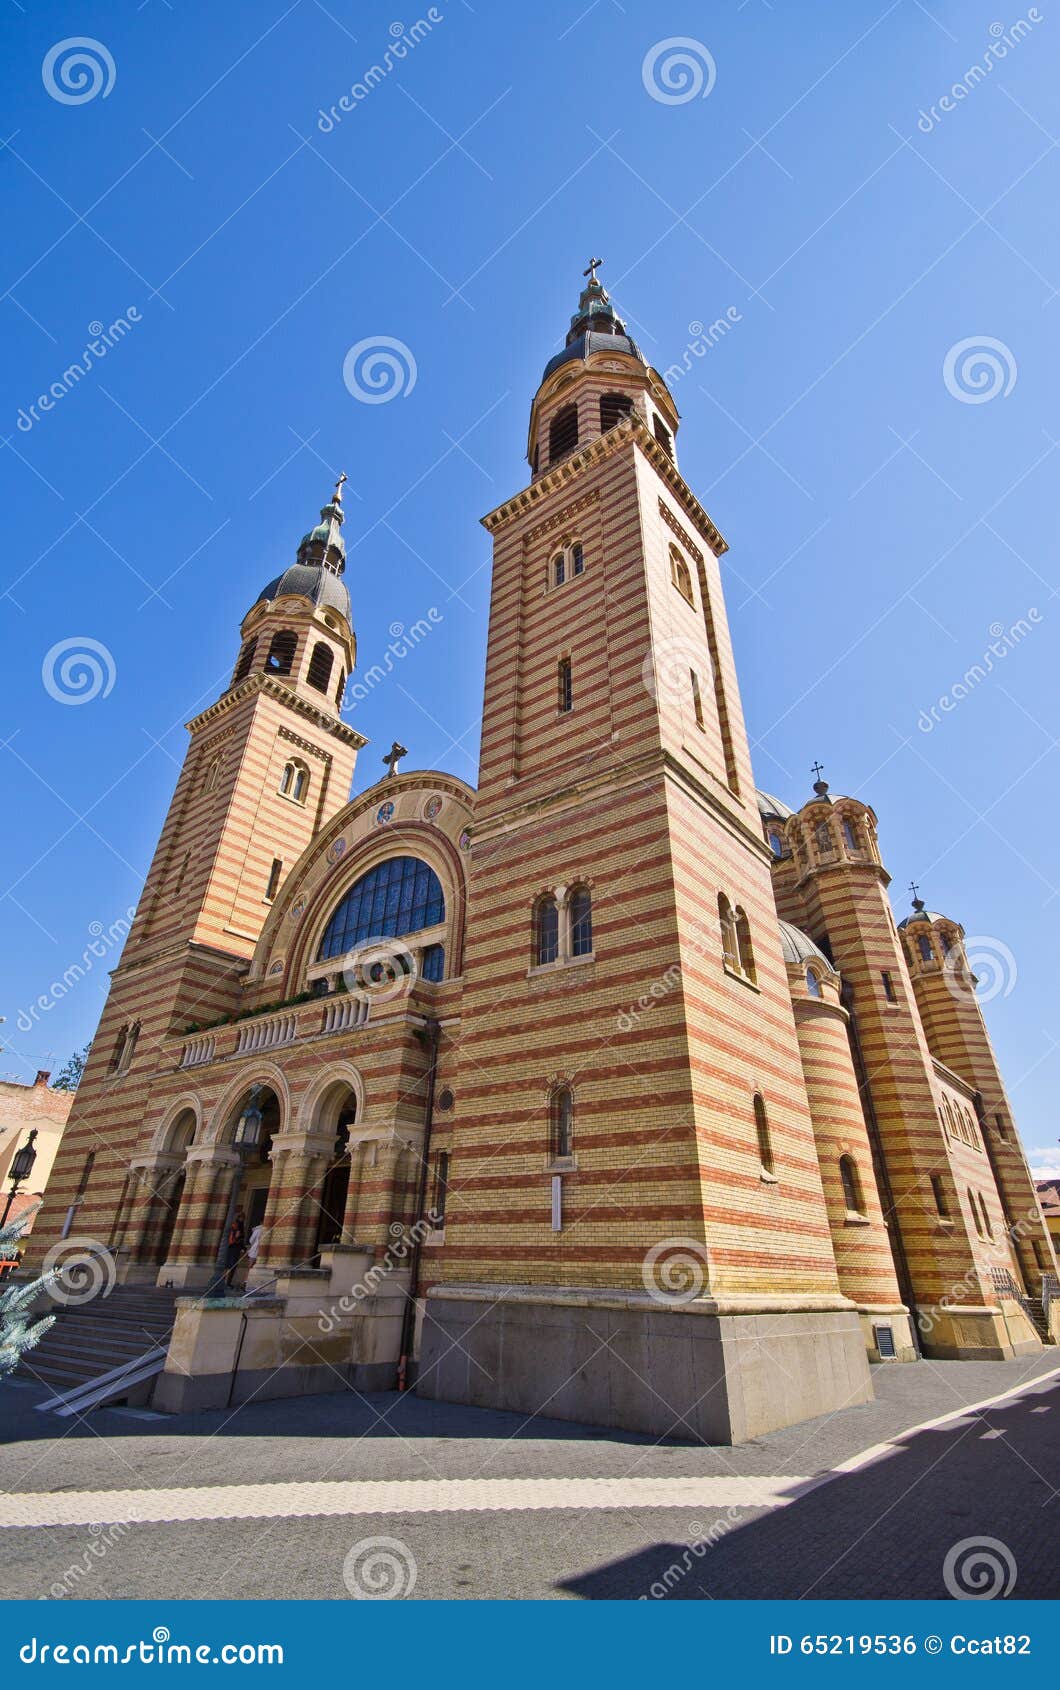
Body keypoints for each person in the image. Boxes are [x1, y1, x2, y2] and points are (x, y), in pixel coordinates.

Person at [224, 1208, 246, 1290]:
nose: (243, 1219)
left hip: (232, 1247)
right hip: (235, 1247)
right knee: (232, 1265)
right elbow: (237, 1236)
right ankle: (227, 1282)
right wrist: (243, 1247)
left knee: (230, 1265)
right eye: (243, 1217)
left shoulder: (235, 1224)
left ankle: (226, 1282)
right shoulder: (239, 1225)